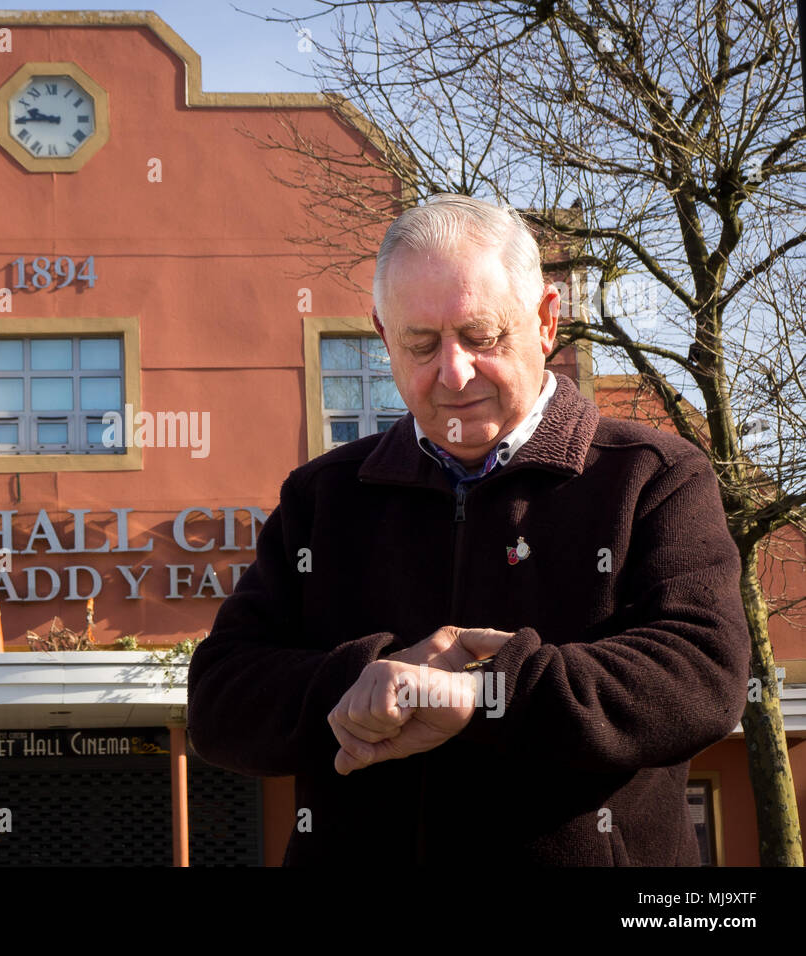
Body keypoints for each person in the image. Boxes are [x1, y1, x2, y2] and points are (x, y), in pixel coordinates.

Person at [186, 194, 750, 865]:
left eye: (481, 338)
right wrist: (371, 681)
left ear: (546, 320)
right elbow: (218, 700)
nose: (452, 374)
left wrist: (485, 693)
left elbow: (701, 676)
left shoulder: (655, 476)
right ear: (382, 335)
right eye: (420, 344)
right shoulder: (320, 497)